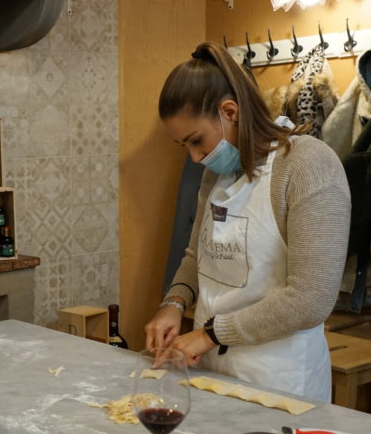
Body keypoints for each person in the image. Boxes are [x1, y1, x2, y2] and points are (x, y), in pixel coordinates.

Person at [144, 41, 350, 402]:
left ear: (230, 112)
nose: (195, 158)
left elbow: (311, 298)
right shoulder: (217, 172)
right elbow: (197, 257)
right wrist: (173, 303)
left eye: (197, 141)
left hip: (280, 385)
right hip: (210, 372)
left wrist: (209, 334)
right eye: (185, 147)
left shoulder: (308, 166)